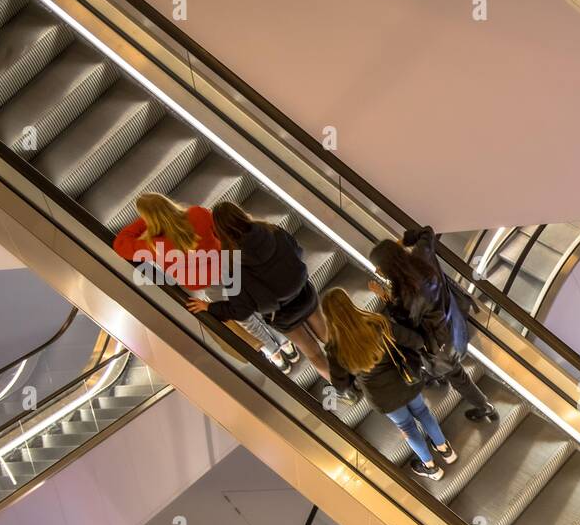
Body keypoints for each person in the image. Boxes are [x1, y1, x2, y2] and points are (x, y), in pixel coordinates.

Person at [114, 193, 300, 373]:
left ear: (149, 219)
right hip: (228, 266)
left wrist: (144, 222)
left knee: (243, 316)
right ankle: (286, 343)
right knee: (254, 305)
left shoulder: (152, 245)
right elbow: (221, 233)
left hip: (208, 283)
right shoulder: (197, 213)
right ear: (168, 204)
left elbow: (120, 245)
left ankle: (274, 353)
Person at [184, 201, 331, 381]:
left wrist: (210, 308)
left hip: (282, 314)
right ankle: (354, 367)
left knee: (314, 353)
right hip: (305, 293)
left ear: (218, 231)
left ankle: (342, 389)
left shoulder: (230, 263)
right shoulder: (271, 229)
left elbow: (241, 310)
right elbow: (297, 251)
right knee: (329, 338)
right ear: (241, 214)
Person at [320, 289, 455, 480]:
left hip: (382, 397)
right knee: (423, 413)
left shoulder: (335, 349)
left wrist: (356, 378)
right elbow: (415, 341)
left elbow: (340, 385)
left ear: (328, 317)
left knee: (407, 427)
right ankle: (445, 450)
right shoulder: (376, 322)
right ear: (350, 302)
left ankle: (431, 467)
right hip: (406, 380)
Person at [368, 227, 497, 423]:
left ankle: (484, 406)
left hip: (441, 347)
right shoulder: (422, 256)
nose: (380, 272)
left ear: (387, 268)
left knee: (457, 377)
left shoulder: (403, 298)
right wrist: (402, 242)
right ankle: (439, 378)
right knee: (449, 371)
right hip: (456, 326)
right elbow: (427, 232)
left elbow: (408, 329)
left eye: (380, 268)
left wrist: (385, 298)